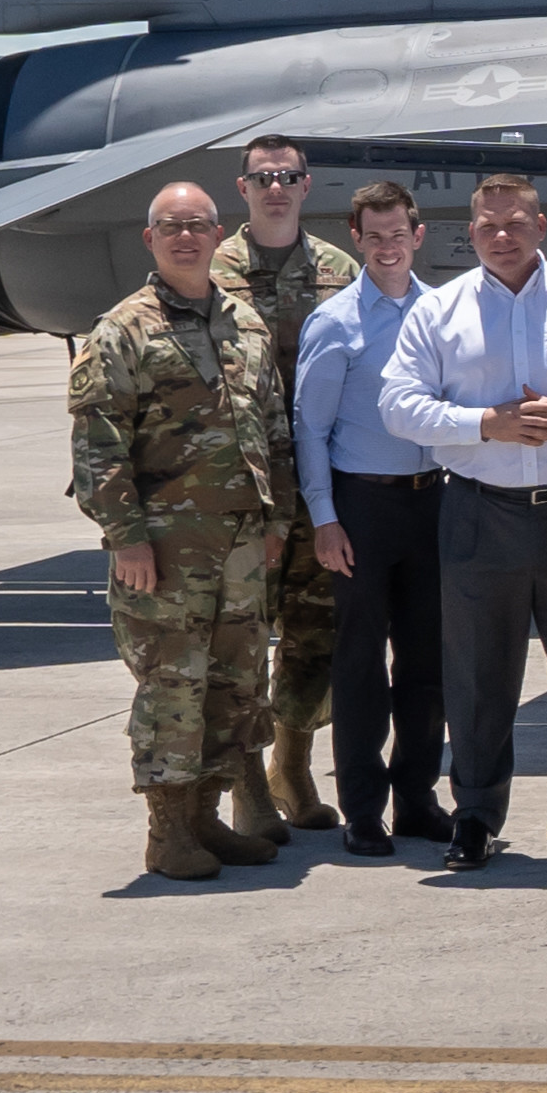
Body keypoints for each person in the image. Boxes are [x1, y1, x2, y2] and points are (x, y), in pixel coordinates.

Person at [376, 174, 547, 873]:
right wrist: (484, 425)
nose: (502, 236)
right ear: (469, 234)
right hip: (476, 511)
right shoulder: (438, 312)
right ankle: (473, 816)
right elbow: (398, 406)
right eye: (488, 226)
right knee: (476, 674)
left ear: (540, 226)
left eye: (516, 222)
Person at [71, 183, 287, 881]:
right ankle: (166, 833)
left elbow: (273, 431)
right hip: (164, 547)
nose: (185, 237)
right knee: (173, 682)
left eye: (197, 225)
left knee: (234, 680)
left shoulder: (245, 323)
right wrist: (125, 535)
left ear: (217, 232)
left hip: (242, 545)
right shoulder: (122, 329)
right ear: (150, 239)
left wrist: (276, 520)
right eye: (171, 226)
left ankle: (204, 817)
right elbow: (96, 444)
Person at [294, 180, 449, 857]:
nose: (388, 246)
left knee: (427, 660)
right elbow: (309, 428)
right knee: (360, 663)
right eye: (374, 235)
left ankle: (416, 796)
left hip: (430, 501)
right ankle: (363, 806)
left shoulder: (441, 312)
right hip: (362, 503)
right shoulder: (335, 321)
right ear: (356, 239)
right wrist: (324, 518)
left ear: (417, 237)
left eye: (398, 233)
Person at [210, 134, 357, 840]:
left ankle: (292, 764)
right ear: (242, 187)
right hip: (239, 485)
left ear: (307, 185)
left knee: (314, 628)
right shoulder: (209, 271)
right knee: (240, 633)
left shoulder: (338, 269)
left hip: (318, 482)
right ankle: (246, 780)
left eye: (288, 176)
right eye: (263, 176)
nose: (276, 187)